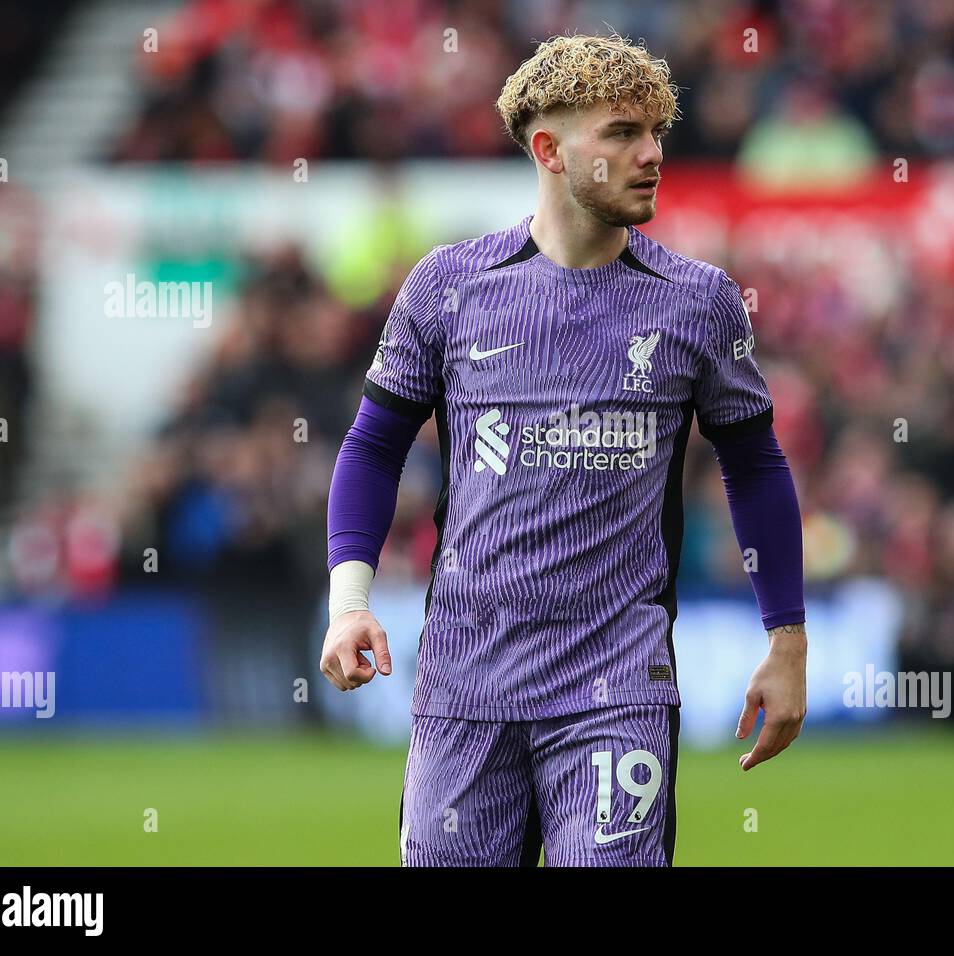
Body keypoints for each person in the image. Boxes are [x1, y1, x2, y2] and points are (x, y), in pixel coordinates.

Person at [322, 34, 807, 867]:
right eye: (622, 133)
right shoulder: (448, 288)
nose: (651, 153)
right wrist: (349, 601)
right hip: (464, 686)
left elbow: (755, 465)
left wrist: (787, 643)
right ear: (549, 150)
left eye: (656, 132)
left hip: (618, 689)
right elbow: (373, 447)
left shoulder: (697, 302)